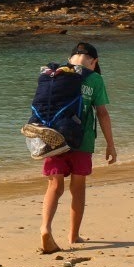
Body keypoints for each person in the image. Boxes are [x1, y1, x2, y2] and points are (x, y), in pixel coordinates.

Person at [40, 41, 116, 254]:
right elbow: (102, 113)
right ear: (94, 61)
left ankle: (45, 228)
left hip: (54, 138)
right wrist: (110, 145)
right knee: (78, 188)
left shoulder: (55, 74)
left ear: (71, 58)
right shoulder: (95, 79)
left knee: (54, 186)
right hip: (82, 141)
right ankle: (74, 235)